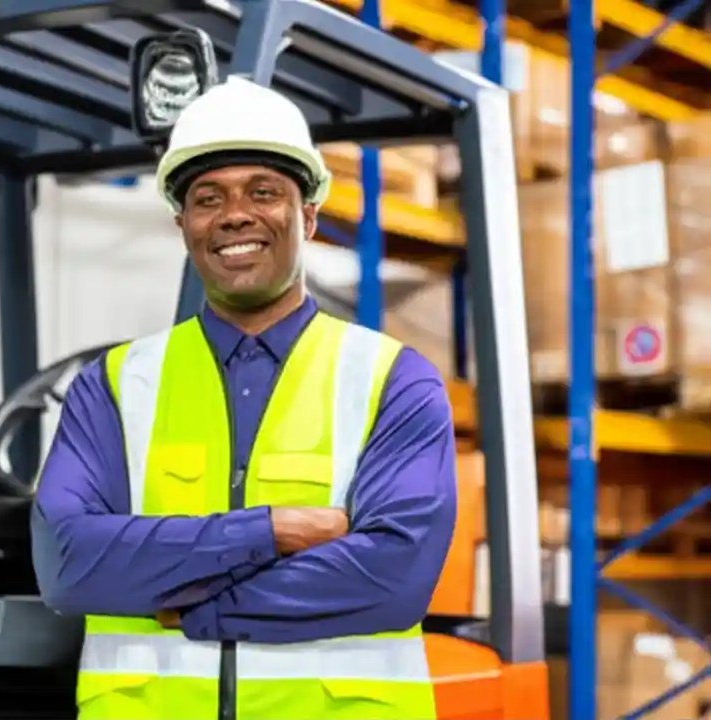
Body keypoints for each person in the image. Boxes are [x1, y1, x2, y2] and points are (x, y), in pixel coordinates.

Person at [30, 75, 458, 720]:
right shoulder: (115, 384)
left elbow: (393, 576)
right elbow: (67, 564)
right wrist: (270, 530)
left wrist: (197, 608)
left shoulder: (392, 380)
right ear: (184, 225)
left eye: (264, 193)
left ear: (307, 217)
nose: (235, 214)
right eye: (208, 198)